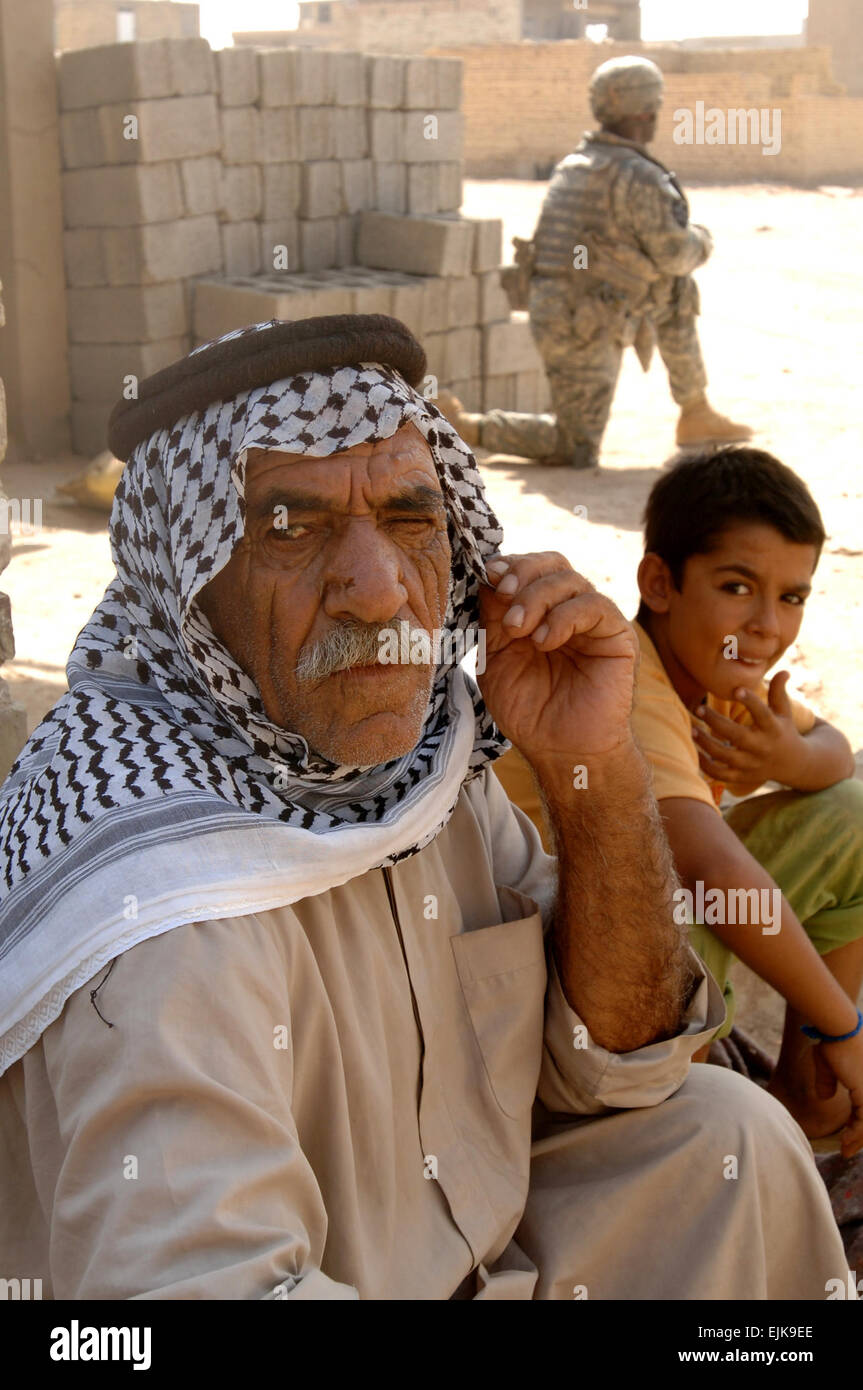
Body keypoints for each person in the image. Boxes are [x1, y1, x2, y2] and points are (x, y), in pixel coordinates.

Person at [0, 318, 849, 1300]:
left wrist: (594, 766)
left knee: (723, 1137)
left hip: (466, 1247)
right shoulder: (157, 902)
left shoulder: (416, 770)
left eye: (410, 520)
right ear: (190, 588)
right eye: (292, 527)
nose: (378, 589)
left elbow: (615, 1061)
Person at [496, 446, 863, 1147]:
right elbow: (710, 871)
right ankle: (674, 1121)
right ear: (658, 584)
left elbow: (837, 756)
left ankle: (806, 1098)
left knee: (848, 818)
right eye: (736, 587)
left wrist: (789, 756)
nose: (766, 625)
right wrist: (843, 1024)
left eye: (791, 597)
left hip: (616, 922)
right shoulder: (624, 677)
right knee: (685, 907)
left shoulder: (722, 679)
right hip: (552, 966)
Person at [441, 55, 752, 469]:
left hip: (564, 308)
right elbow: (676, 254)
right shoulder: (639, 176)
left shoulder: (575, 164)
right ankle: (467, 427)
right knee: (575, 447)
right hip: (584, 322)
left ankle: (695, 410)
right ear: (648, 109)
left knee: (673, 290)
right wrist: (704, 240)